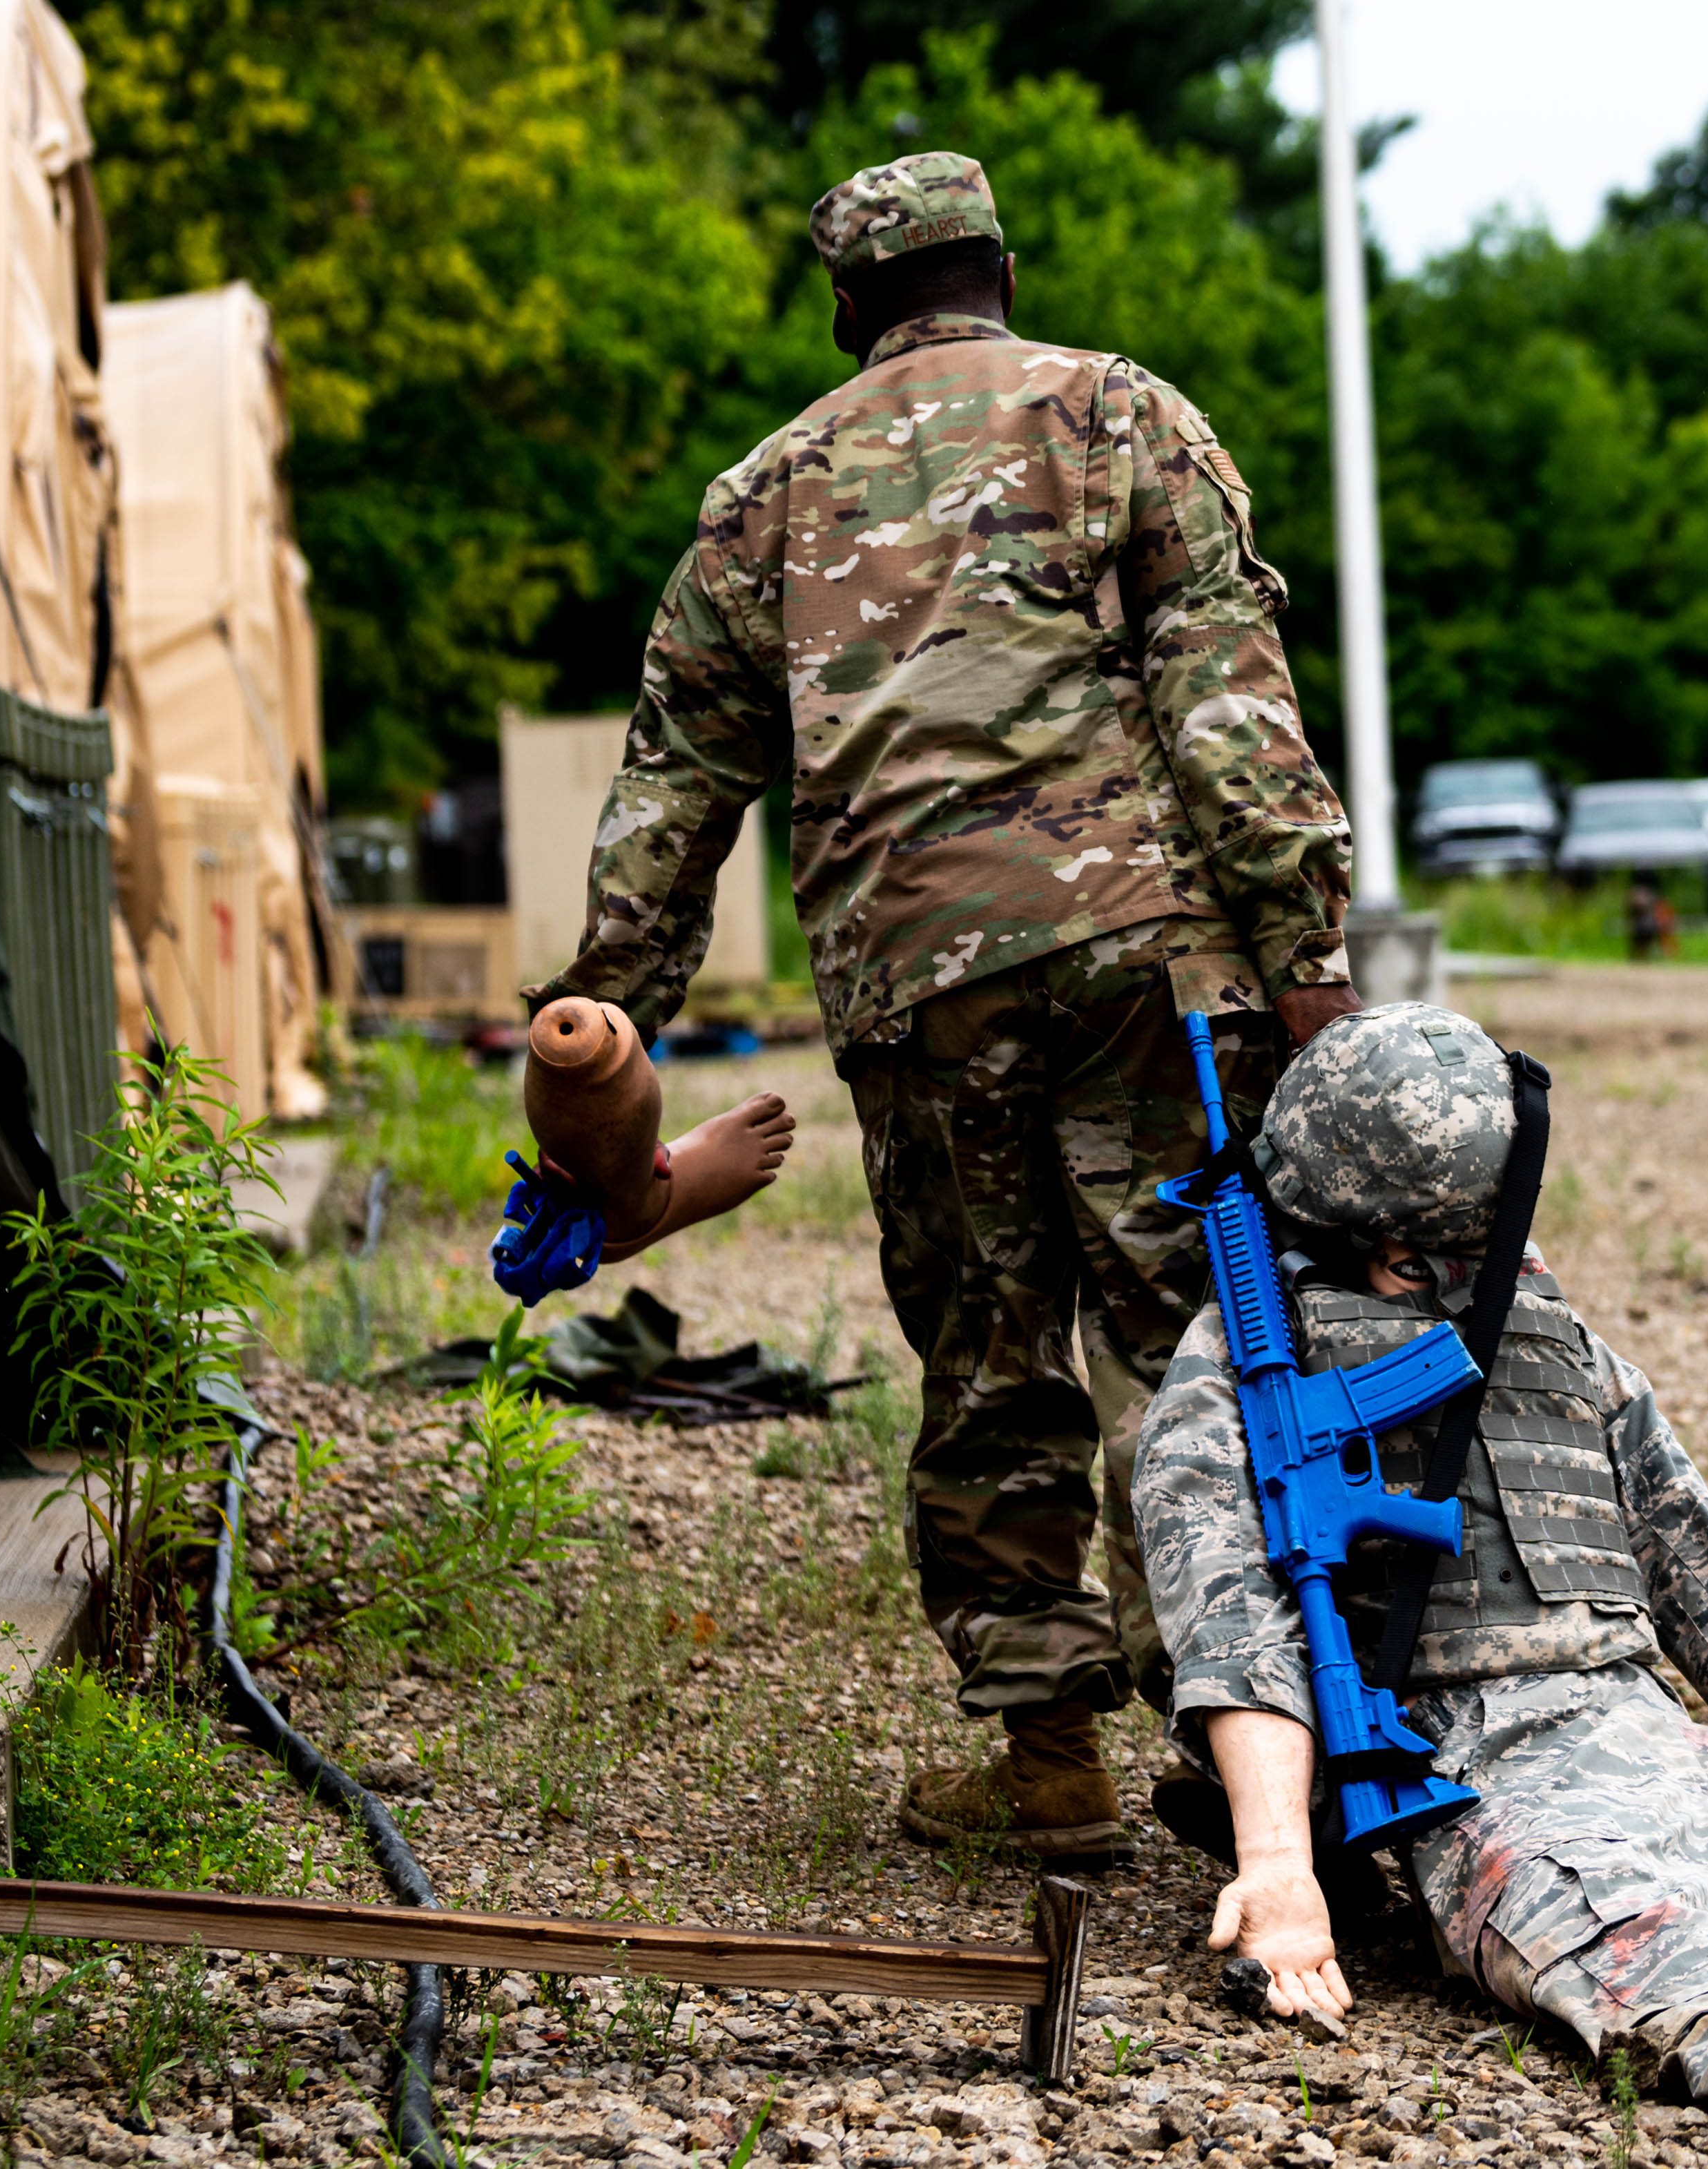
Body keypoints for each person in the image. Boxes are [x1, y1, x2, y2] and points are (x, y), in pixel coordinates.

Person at [525, 151, 1360, 1858]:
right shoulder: (1122, 413)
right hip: (1150, 957)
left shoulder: (761, 496)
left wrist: (610, 1020)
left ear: (848, 310)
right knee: (1197, 1341)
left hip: (917, 987)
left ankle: (1049, 1761)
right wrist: (1310, 966)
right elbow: (1231, 707)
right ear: (998, 266)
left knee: (988, 1358)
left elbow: (674, 784)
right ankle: (1251, 1737)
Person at [1136, 1004, 1708, 2151]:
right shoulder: (1246, 1369)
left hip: (1649, 1732)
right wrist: (1278, 1869)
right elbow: (1236, 1627)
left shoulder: (1551, 1336)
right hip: (1466, 1766)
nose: (1452, 1274)